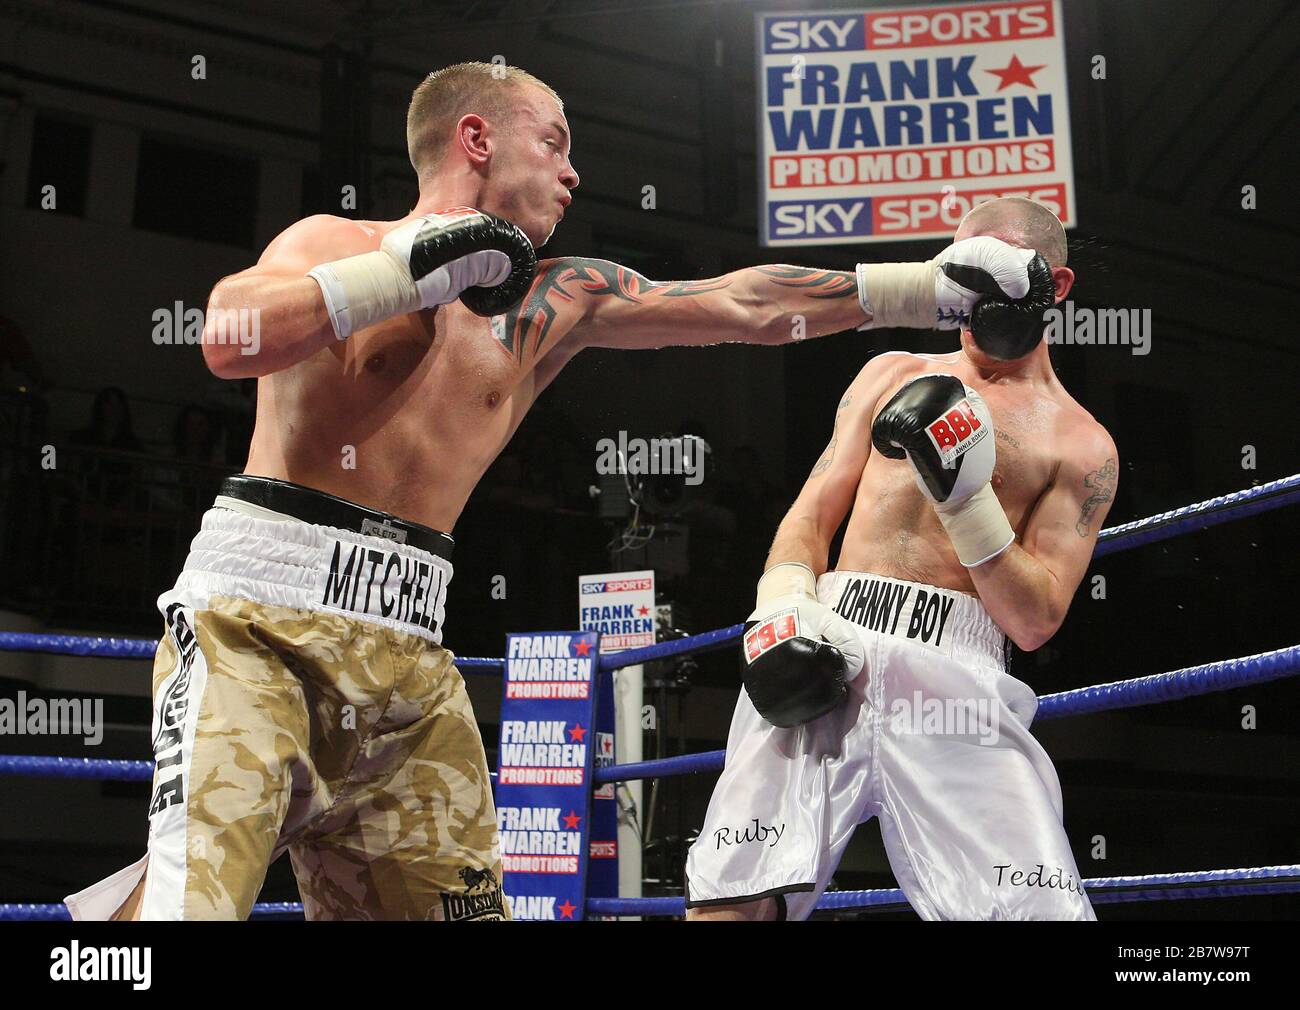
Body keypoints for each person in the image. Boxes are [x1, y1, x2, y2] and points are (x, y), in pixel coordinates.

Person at [65, 62, 1043, 921]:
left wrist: (931, 285)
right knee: (189, 906)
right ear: (476, 137)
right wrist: (400, 275)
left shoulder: (555, 300)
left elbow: (740, 304)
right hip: (260, 620)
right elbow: (228, 335)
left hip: (411, 659)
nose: (575, 171)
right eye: (555, 142)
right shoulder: (337, 237)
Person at [685, 197, 1118, 921]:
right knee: (733, 901)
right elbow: (811, 514)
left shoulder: (1083, 446)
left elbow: (1036, 619)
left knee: (1033, 913)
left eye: (1000, 270)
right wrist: (784, 606)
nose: (975, 294)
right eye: (962, 270)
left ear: (1057, 287)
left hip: (958, 678)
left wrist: (964, 499)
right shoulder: (891, 371)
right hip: (830, 639)